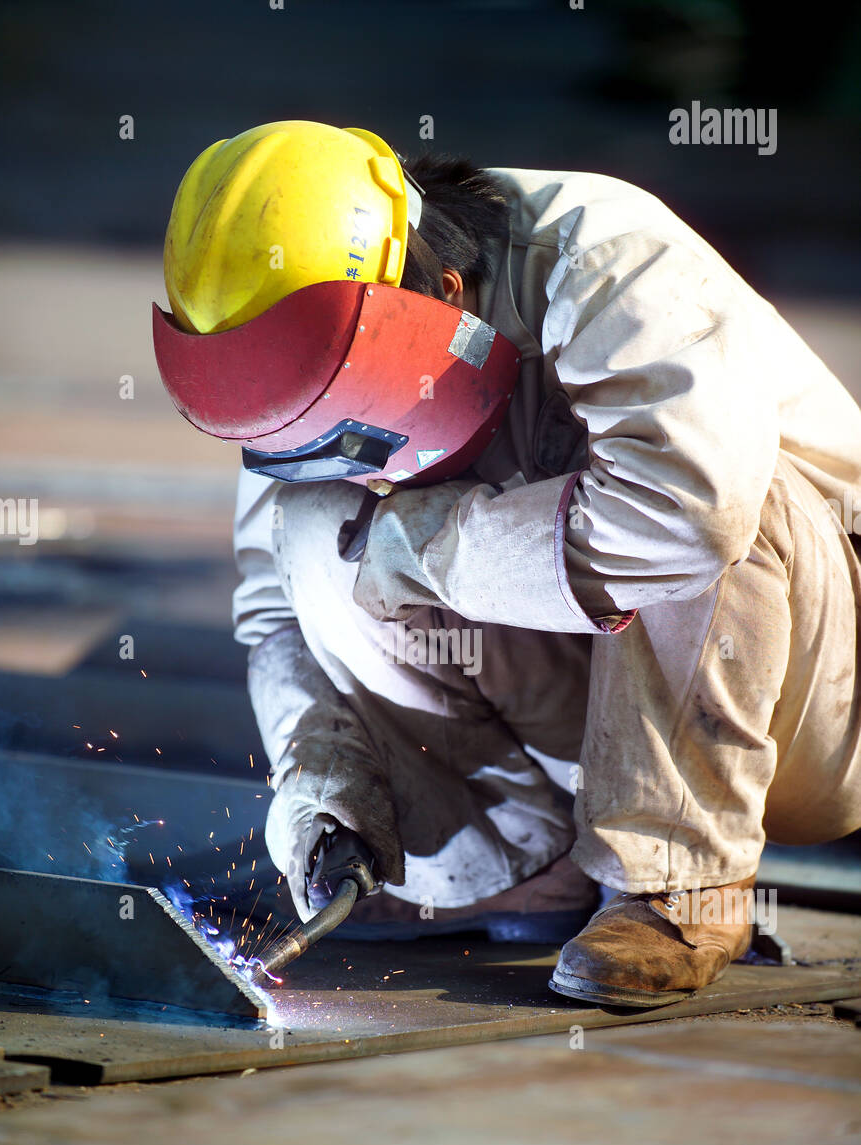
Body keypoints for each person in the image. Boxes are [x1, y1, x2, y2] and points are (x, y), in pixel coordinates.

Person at [155, 120, 861, 1008]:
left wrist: (421, 548)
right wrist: (325, 780)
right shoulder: (292, 360)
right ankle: (526, 867)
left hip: (815, 689)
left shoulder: (607, 259)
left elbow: (690, 513)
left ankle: (679, 881)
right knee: (321, 526)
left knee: (714, 503)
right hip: (607, 678)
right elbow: (277, 613)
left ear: (443, 294)